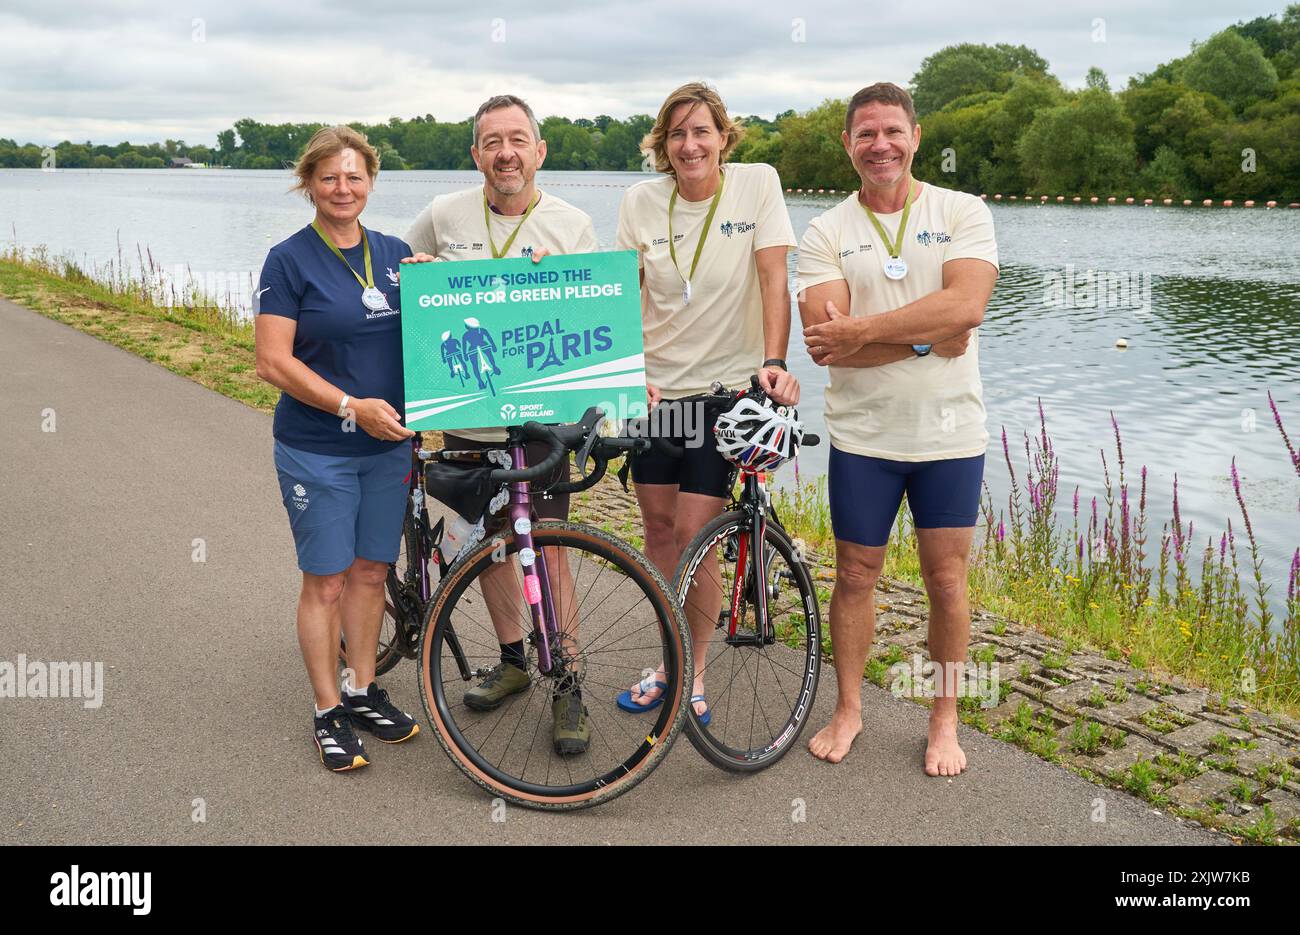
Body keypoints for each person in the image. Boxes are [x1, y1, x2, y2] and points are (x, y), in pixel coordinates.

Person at [796, 83, 999, 776]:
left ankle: (944, 720)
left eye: (892, 131)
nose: (879, 144)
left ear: (915, 134)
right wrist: (922, 334)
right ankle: (849, 708)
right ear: (848, 144)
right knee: (854, 574)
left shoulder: (962, 211)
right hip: (863, 438)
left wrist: (864, 329)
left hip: (948, 436)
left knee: (947, 581)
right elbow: (824, 342)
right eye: (865, 134)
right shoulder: (826, 231)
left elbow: (966, 306)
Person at [404, 94, 599, 755]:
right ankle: (515, 661)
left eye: (518, 139)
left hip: (541, 420)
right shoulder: (442, 214)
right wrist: (418, 277)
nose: (506, 152)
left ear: (540, 152)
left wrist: (564, 284)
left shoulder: (573, 224)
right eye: (492, 141)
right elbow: (400, 282)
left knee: (547, 546)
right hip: (469, 419)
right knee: (489, 546)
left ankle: (568, 680)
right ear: (476, 155)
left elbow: (595, 315)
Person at [614, 81, 800, 721]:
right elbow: (620, 297)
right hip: (657, 393)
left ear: (724, 137)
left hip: (725, 395)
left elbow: (775, 277)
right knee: (659, 532)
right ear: (663, 145)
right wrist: (622, 376)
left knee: (696, 535)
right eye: (676, 134)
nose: (689, 145)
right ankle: (668, 659)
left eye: (701, 132)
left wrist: (774, 362)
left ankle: (691, 673)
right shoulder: (642, 200)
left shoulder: (757, 185)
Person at [254, 126, 422, 772]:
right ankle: (327, 708)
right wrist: (351, 407)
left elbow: (439, 319)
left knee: (371, 571)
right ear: (309, 184)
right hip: (318, 446)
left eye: (354, 177)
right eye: (329, 177)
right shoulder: (287, 260)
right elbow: (272, 361)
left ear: (371, 182)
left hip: (388, 446)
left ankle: (360, 687)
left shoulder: (397, 253)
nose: (343, 188)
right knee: (325, 579)